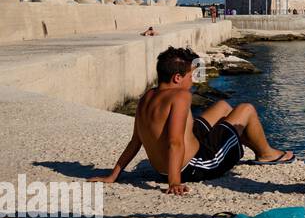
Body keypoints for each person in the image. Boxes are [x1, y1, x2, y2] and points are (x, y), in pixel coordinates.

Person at [89, 46, 292, 194]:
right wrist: (174, 182)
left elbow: (136, 140)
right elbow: (175, 142)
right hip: (196, 165)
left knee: (222, 106)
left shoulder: (146, 97)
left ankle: (239, 138)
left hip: (164, 169)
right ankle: (266, 154)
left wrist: (113, 175)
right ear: (177, 78)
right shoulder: (181, 96)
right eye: (191, 77)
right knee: (246, 109)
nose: (193, 82)